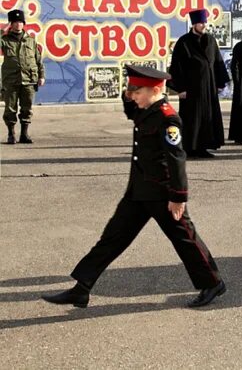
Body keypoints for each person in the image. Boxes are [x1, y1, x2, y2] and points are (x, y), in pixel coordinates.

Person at [41, 65, 225, 309]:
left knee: (185, 239)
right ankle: (81, 288)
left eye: (137, 92)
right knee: (111, 238)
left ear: (155, 89)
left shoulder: (168, 117)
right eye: (132, 92)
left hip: (162, 193)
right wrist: (128, 88)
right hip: (138, 191)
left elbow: (176, 158)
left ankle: (213, 283)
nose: (133, 96)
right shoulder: (145, 109)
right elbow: (131, 107)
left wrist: (178, 196)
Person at [168, 9, 229, 158]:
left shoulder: (211, 40)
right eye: (201, 23)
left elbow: (218, 62)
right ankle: (189, 148)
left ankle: (203, 147)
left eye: (205, 23)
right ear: (194, 24)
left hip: (208, 88)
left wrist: (221, 81)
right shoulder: (184, 42)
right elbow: (176, 67)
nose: (204, 26)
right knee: (192, 119)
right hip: (191, 89)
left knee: (207, 118)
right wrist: (180, 88)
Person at [1, 9, 44, 144]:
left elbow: (38, 60)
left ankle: (24, 134)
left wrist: (41, 75)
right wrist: (3, 30)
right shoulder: (5, 40)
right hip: (11, 81)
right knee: (10, 109)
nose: (18, 24)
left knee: (27, 108)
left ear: (23, 24)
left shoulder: (31, 41)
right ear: (11, 24)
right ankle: (11, 134)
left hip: (29, 80)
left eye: (20, 22)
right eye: (15, 22)